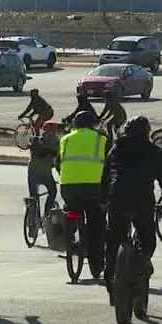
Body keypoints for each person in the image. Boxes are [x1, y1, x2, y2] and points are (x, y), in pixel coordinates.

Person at [103, 117, 162, 305]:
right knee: (147, 239)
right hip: (142, 199)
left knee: (113, 241)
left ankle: (111, 282)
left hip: (118, 196)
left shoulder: (117, 148)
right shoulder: (154, 151)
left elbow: (105, 174)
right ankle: (143, 264)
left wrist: (103, 198)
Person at [58, 111, 108, 277]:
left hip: (68, 188)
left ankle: (70, 235)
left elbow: (58, 163)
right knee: (96, 223)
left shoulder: (65, 139)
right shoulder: (101, 139)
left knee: (71, 210)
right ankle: (96, 263)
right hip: (93, 188)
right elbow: (108, 166)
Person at [28, 123, 60, 215]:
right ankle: (46, 214)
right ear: (54, 131)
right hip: (45, 172)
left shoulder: (36, 139)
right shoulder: (55, 141)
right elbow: (57, 160)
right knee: (52, 192)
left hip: (32, 171)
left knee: (33, 196)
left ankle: (31, 218)